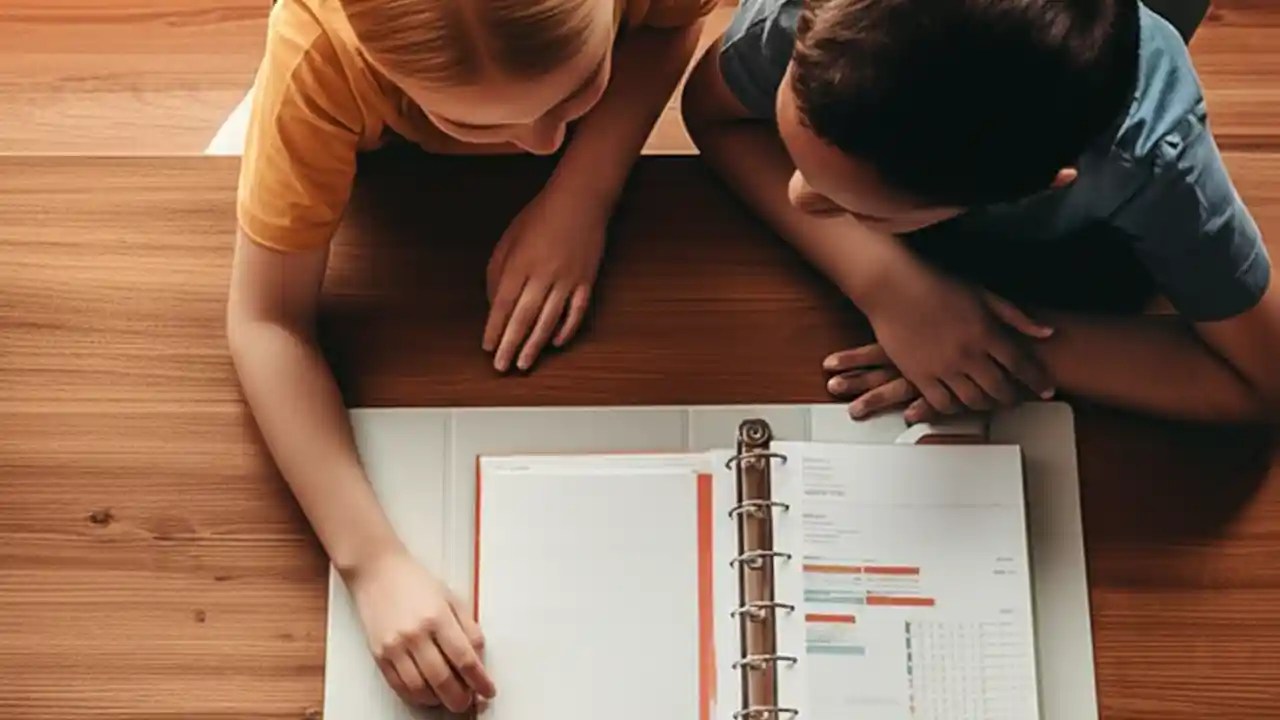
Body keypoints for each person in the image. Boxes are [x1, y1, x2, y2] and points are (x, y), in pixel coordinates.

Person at [225, 0, 715, 711]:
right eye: (475, 123)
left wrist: (584, 190)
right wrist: (373, 565)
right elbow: (264, 320)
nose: (546, 141)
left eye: (579, 89)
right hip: (370, 164)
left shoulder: (556, 135)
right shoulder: (318, 62)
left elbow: (675, 23)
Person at [682, 0, 1280, 424]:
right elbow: (711, 111)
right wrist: (890, 283)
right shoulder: (810, 30)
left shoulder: (1149, 157)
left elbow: (1261, 380)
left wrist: (999, 344)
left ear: (1029, 189)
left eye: (858, 209)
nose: (798, 198)